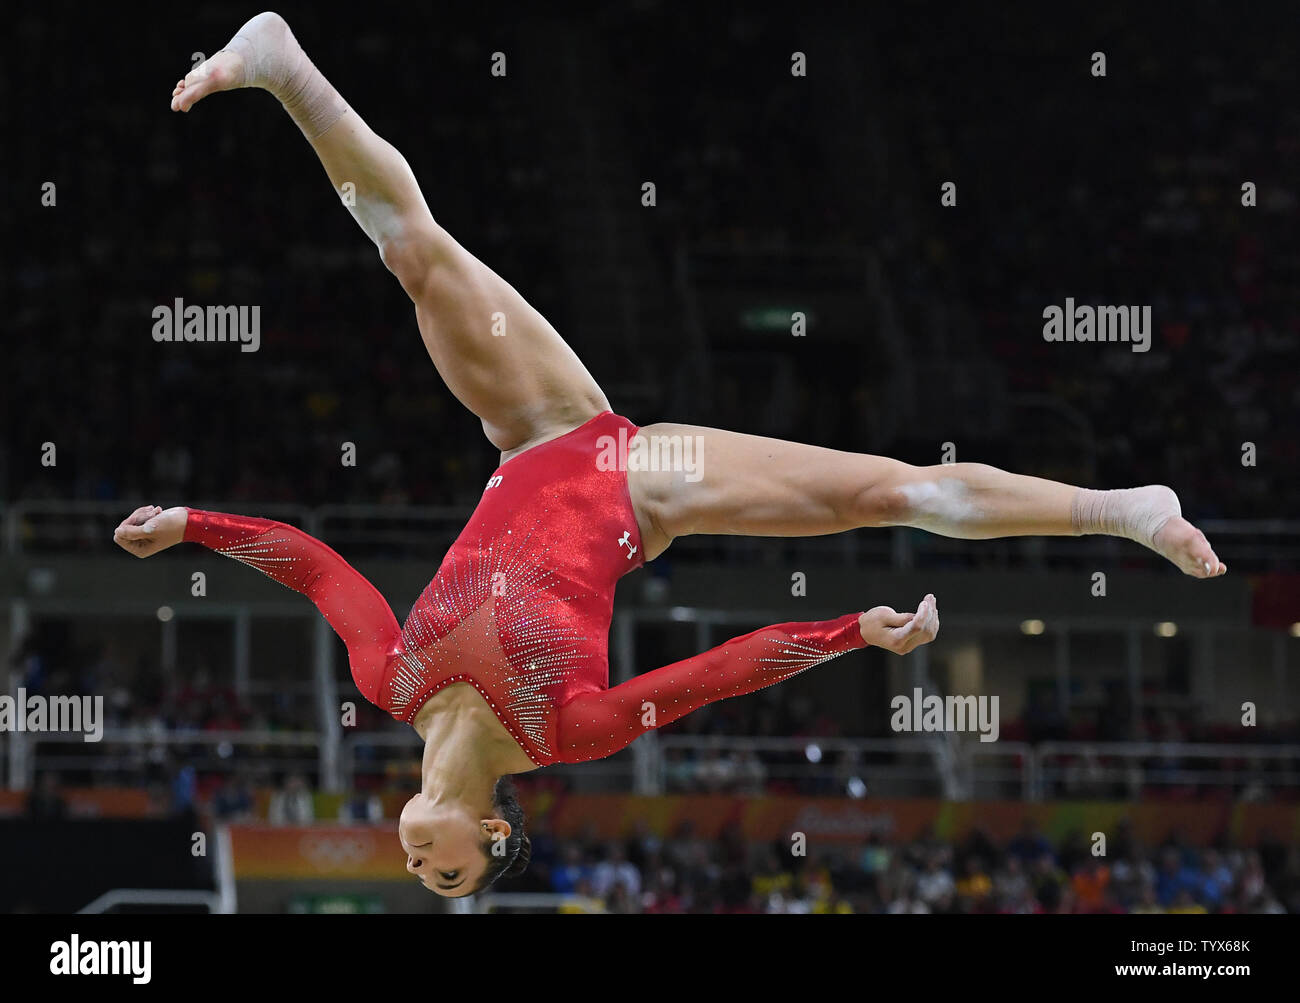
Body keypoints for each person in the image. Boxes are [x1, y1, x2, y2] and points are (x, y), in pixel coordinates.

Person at [118, 12, 1227, 897]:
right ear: (494, 829)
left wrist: (188, 526)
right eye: (444, 867)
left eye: (417, 870)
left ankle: (280, 68)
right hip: (644, 479)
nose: (416, 854)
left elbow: (314, 563)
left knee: (413, 254)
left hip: (541, 430)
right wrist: (853, 631)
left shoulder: (389, 681)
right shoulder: (565, 734)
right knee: (894, 491)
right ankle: (1121, 508)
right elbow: (725, 667)